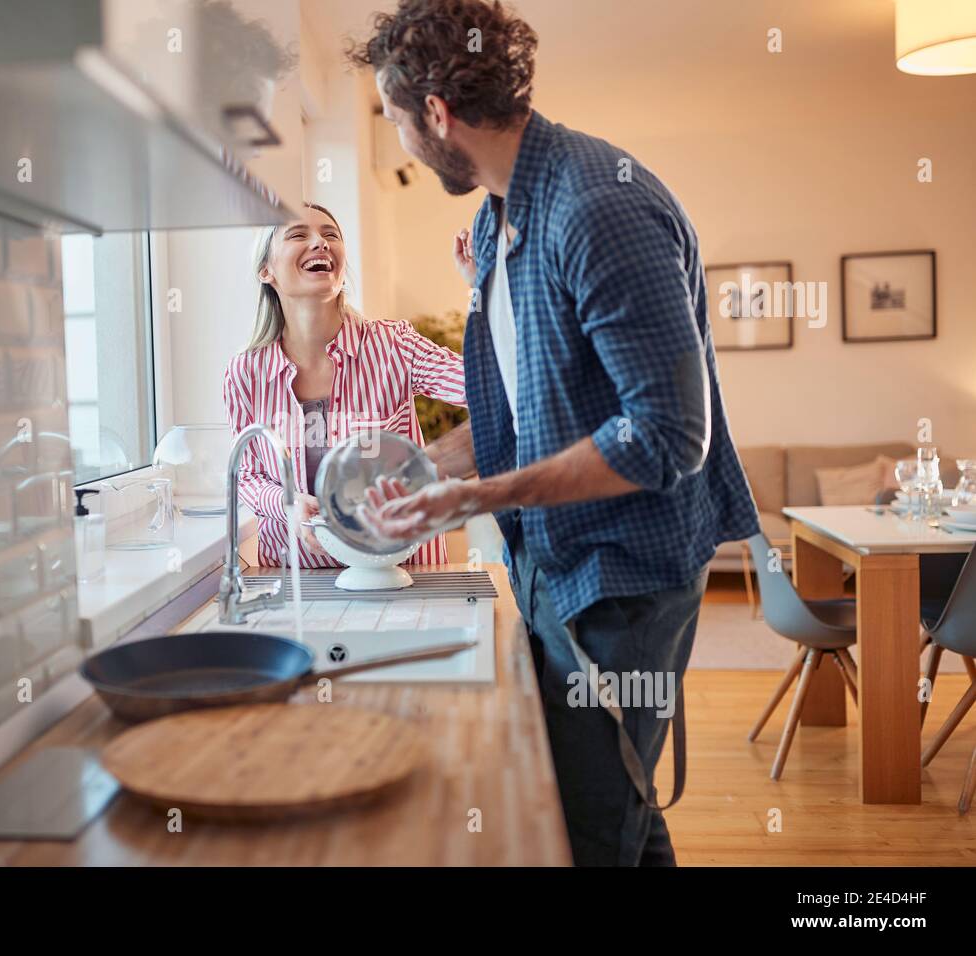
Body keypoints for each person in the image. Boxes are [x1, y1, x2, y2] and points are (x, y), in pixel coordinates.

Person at [348, 0, 760, 865]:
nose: (403, 147)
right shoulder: (503, 219)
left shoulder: (596, 206)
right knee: (618, 811)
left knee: (587, 826)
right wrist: (428, 473)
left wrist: (479, 497)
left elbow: (666, 436)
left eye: (394, 121)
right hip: (553, 565)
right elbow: (520, 417)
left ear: (436, 113)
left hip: (624, 579)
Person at [222, 202, 467, 569]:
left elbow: (488, 388)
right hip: (301, 581)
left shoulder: (394, 345)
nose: (320, 243)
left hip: (406, 575)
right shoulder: (246, 373)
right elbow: (247, 473)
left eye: (330, 234)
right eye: (298, 234)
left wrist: (482, 292)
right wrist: (287, 503)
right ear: (266, 271)